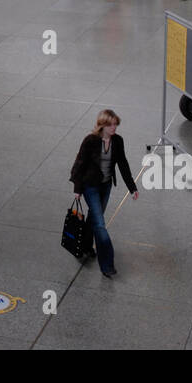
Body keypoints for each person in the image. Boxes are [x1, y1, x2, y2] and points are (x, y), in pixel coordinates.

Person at [69, 109, 139, 279]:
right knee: (100, 224)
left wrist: (132, 187)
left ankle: (84, 247)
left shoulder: (117, 141)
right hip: (90, 186)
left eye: (116, 124)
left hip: (106, 185)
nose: (114, 128)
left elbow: (123, 164)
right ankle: (107, 264)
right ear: (102, 125)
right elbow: (80, 164)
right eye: (110, 125)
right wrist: (77, 189)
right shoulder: (90, 141)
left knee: (94, 218)